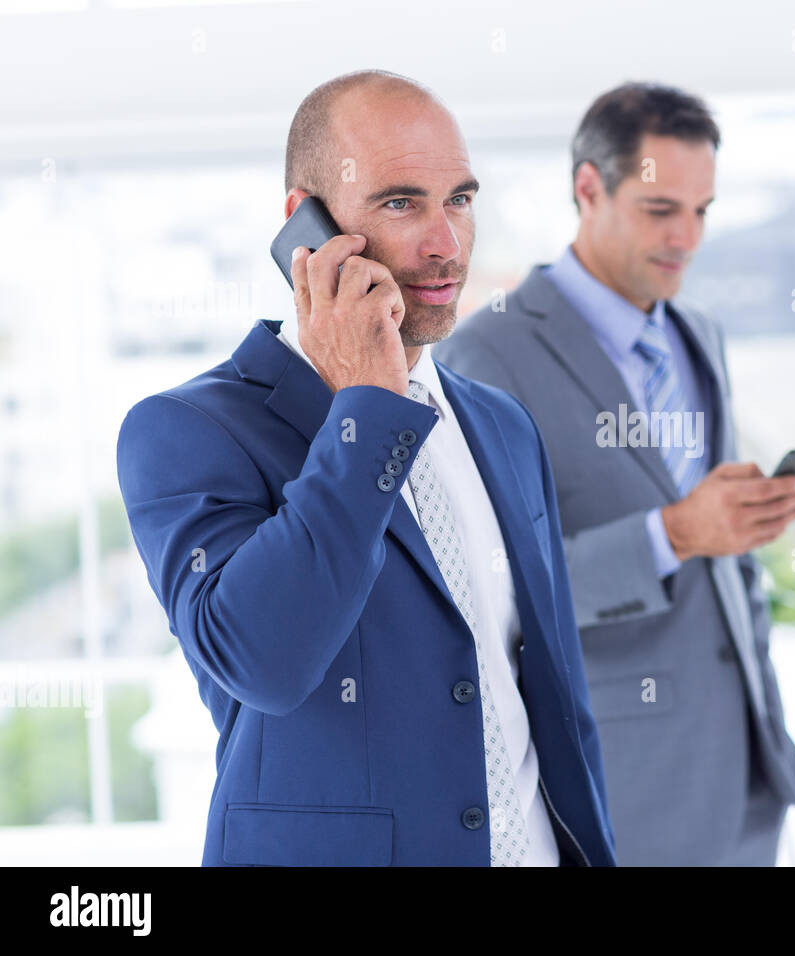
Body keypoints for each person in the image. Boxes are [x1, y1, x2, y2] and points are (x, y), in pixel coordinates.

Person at [115, 70, 614, 866]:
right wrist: (365, 409)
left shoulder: (503, 426)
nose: (446, 243)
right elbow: (264, 662)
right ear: (304, 225)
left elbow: (557, 708)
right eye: (400, 202)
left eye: (459, 200)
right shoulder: (184, 431)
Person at [433, 81, 795, 866]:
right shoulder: (486, 353)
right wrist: (674, 534)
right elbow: (489, 587)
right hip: (626, 784)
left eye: (702, 210)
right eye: (660, 210)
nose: (687, 236)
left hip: (749, 772)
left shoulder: (699, 335)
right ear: (589, 188)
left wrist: (742, 520)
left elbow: (720, 563)